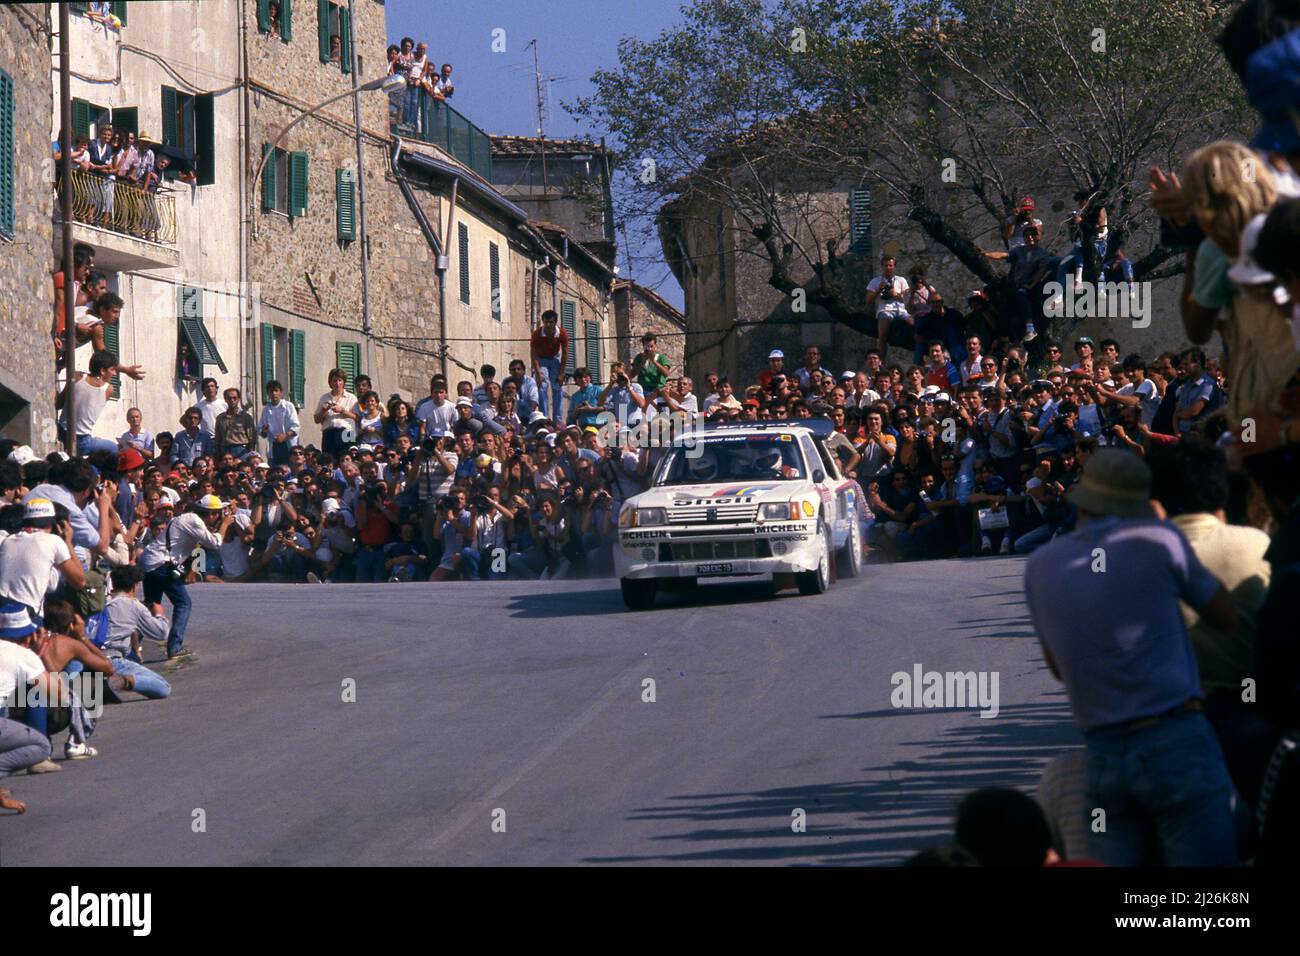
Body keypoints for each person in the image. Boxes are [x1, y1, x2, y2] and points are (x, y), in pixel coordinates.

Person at [1024, 449, 1239, 866]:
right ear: (1141, 501)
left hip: (1103, 751)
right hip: (1176, 740)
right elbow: (1226, 616)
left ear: (1082, 501)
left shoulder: (1040, 564)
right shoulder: (1160, 539)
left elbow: (1057, 668)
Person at [137, 495, 233, 659]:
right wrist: (224, 525)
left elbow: (198, 548)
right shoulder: (193, 521)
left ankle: (129, 646)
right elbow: (214, 543)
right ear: (210, 514)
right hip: (161, 563)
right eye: (217, 514)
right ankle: (174, 647)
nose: (219, 517)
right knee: (183, 603)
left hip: (151, 562)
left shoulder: (188, 519)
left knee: (151, 605)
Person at [865, 255, 910, 354]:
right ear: (882, 266)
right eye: (886, 265)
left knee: (915, 326)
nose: (888, 268)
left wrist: (896, 294)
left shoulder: (901, 280)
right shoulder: (875, 281)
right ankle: (881, 362)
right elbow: (868, 300)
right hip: (885, 310)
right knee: (882, 335)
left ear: (894, 266)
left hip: (902, 310)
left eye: (890, 265)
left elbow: (908, 298)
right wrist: (878, 291)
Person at [530, 310, 569, 420]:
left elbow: (565, 353)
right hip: (541, 359)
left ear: (555, 323)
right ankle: (544, 417)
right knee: (542, 386)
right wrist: (538, 372)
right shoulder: (537, 334)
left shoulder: (562, 334)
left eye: (550, 322)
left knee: (557, 386)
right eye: (545, 322)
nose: (547, 325)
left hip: (554, 359)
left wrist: (561, 373)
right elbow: (533, 354)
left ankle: (558, 419)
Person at [314, 369, 359, 457]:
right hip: (329, 433)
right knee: (329, 460)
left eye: (340, 380)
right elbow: (316, 419)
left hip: (347, 432)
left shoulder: (351, 397)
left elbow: (357, 418)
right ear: (330, 383)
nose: (337, 383)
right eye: (334, 380)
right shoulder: (324, 397)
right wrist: (323, 410)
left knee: (346, 459)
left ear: (343, 382)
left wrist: (342, 411)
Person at [258, 379, 300, 468]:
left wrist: (285, 435)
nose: (273, 393)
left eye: (276, 391)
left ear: (280, 392)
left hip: (288, 445)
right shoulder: (266, 409)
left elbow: (296, 427)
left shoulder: (288, 406)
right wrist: (264, 431)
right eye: (271, 391)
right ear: (268, 393)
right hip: (274, 446)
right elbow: (261, 430)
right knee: (275, 471)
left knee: (289, 470)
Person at [214, 387, 257, 459]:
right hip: (224, 450)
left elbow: (252, 437)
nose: (232, 400)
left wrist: (249, 452)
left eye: (235, 398)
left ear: (239, 399)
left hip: (241, 450)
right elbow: (218, 438)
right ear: (225, 399)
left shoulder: (246, 417)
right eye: (229, 398)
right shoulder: (220, 418)